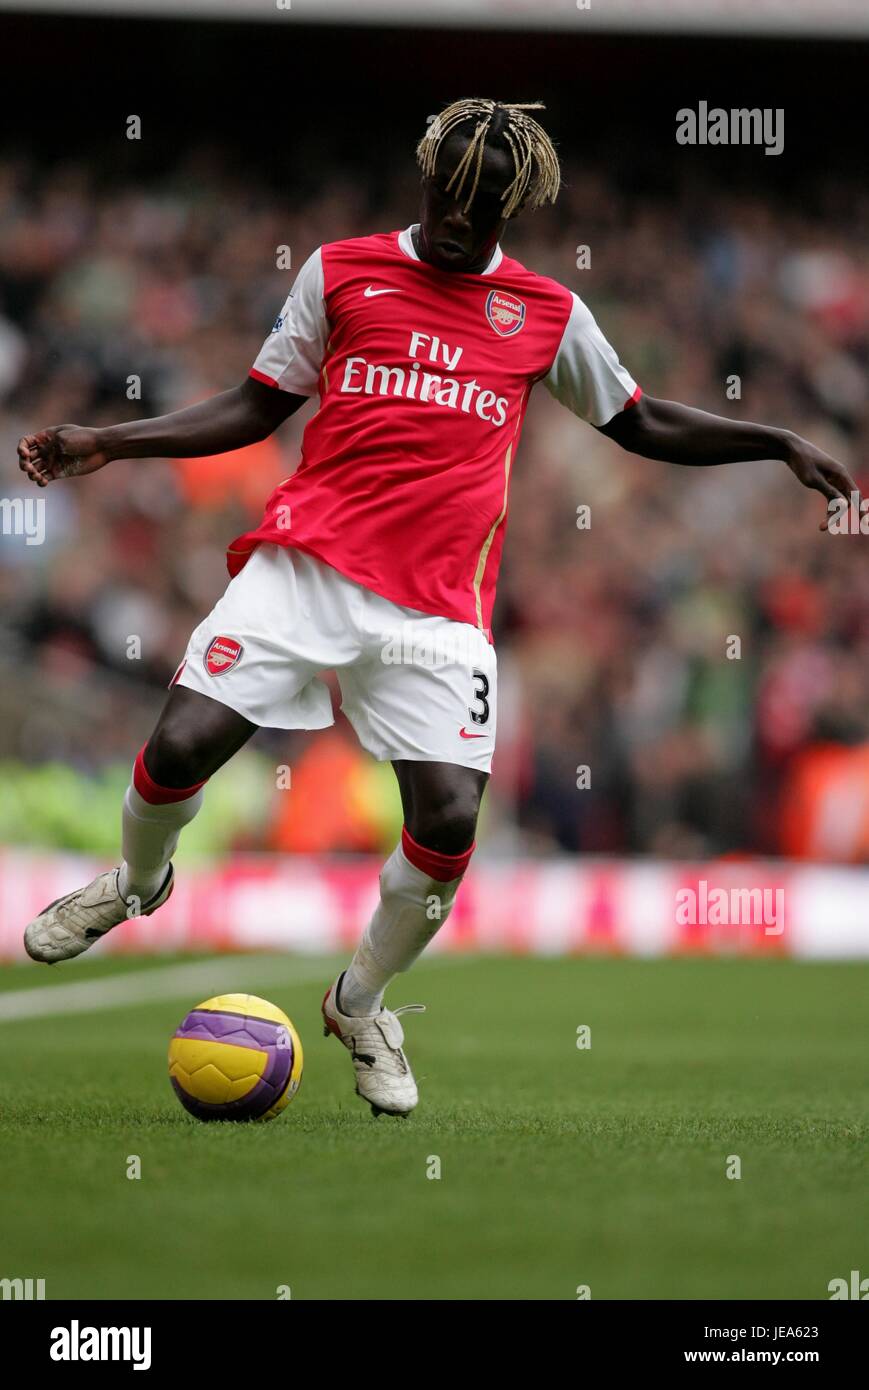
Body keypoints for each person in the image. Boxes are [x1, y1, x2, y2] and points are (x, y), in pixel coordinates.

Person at [17, 98, 858, 1116]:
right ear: (422, 183)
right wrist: (112, 440)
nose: (461, 222)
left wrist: (772, 439)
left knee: (451, 818)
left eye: (485, 209)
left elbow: (640, 424)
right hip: (303, 566)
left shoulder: (545, 313)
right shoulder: (337, 271)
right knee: (180, 745)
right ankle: (134, 883)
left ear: (516, 207)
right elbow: (256, 403)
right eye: (448, 201)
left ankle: (358, 1000)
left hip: (435, 610)